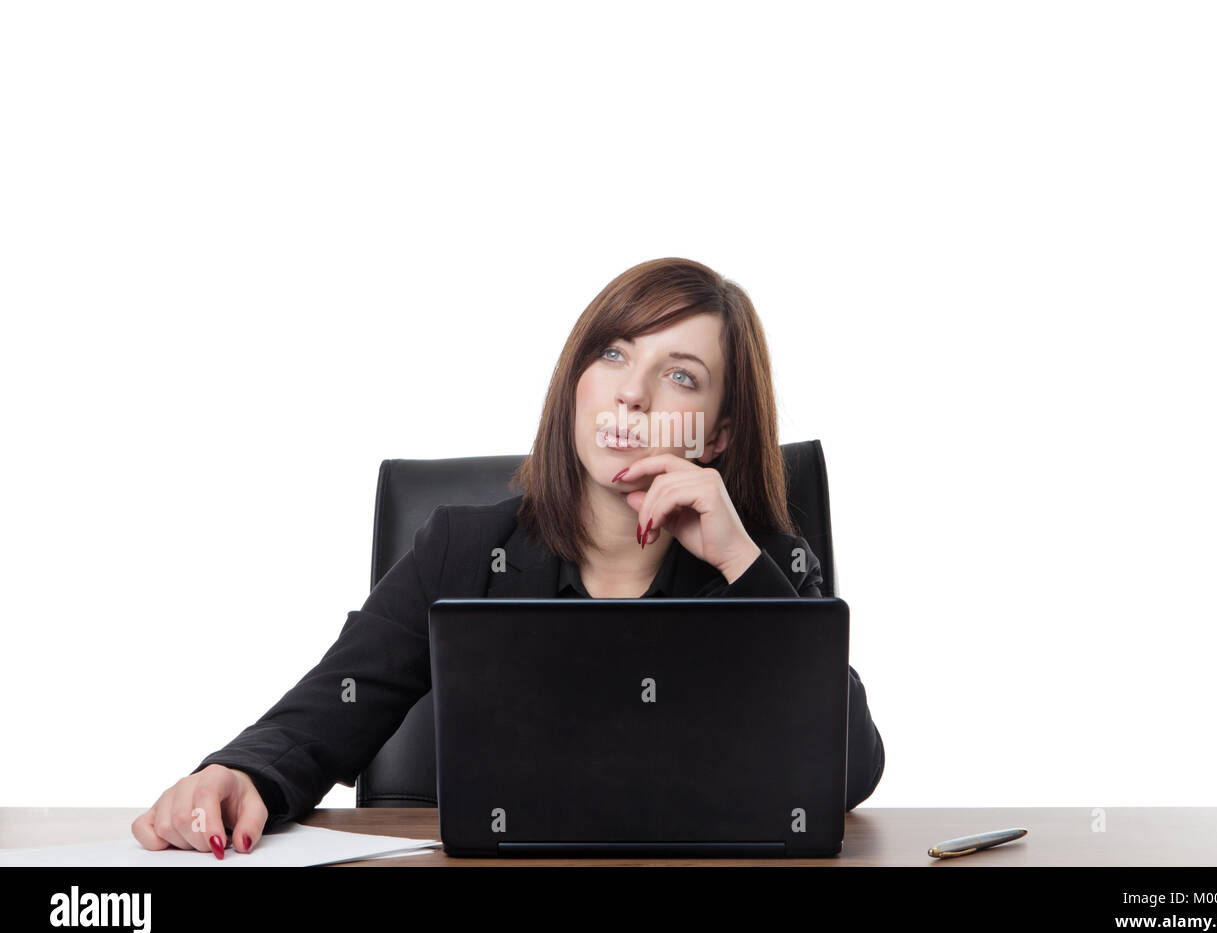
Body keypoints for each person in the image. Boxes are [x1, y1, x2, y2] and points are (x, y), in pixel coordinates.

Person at [131, 257, 886, 856]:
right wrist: (236, 772)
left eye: (680, 375)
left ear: (717, 436)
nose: (632, 394)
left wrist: (743, 566)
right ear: (576, 381)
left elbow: (848, 770)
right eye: (614, 353)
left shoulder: (764, 568)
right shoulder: (466, 549)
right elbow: (326, 710)